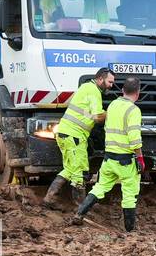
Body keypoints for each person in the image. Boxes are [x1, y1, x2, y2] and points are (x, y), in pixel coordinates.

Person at [74, 76, 143, 232]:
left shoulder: (112, 105)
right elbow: (134, 139)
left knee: (100, 187)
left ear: (123, 90)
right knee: (129, 195)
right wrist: (140, 157)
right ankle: (130, 230)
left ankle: (79, 213)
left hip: (108, 159)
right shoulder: (134, 110)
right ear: (138, 93)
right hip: (125, 162)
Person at [45, 67, 114, 209]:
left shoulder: (85, 87)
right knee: (80, 172)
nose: (111, 85)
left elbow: (85, 114)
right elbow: (97, 117)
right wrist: (113, 112)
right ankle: (81, 207)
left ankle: (50, 198)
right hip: (74, 136)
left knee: (70, 169)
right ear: (100, 79)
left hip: (66, 133)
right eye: (110, 82)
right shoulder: (94, 91)